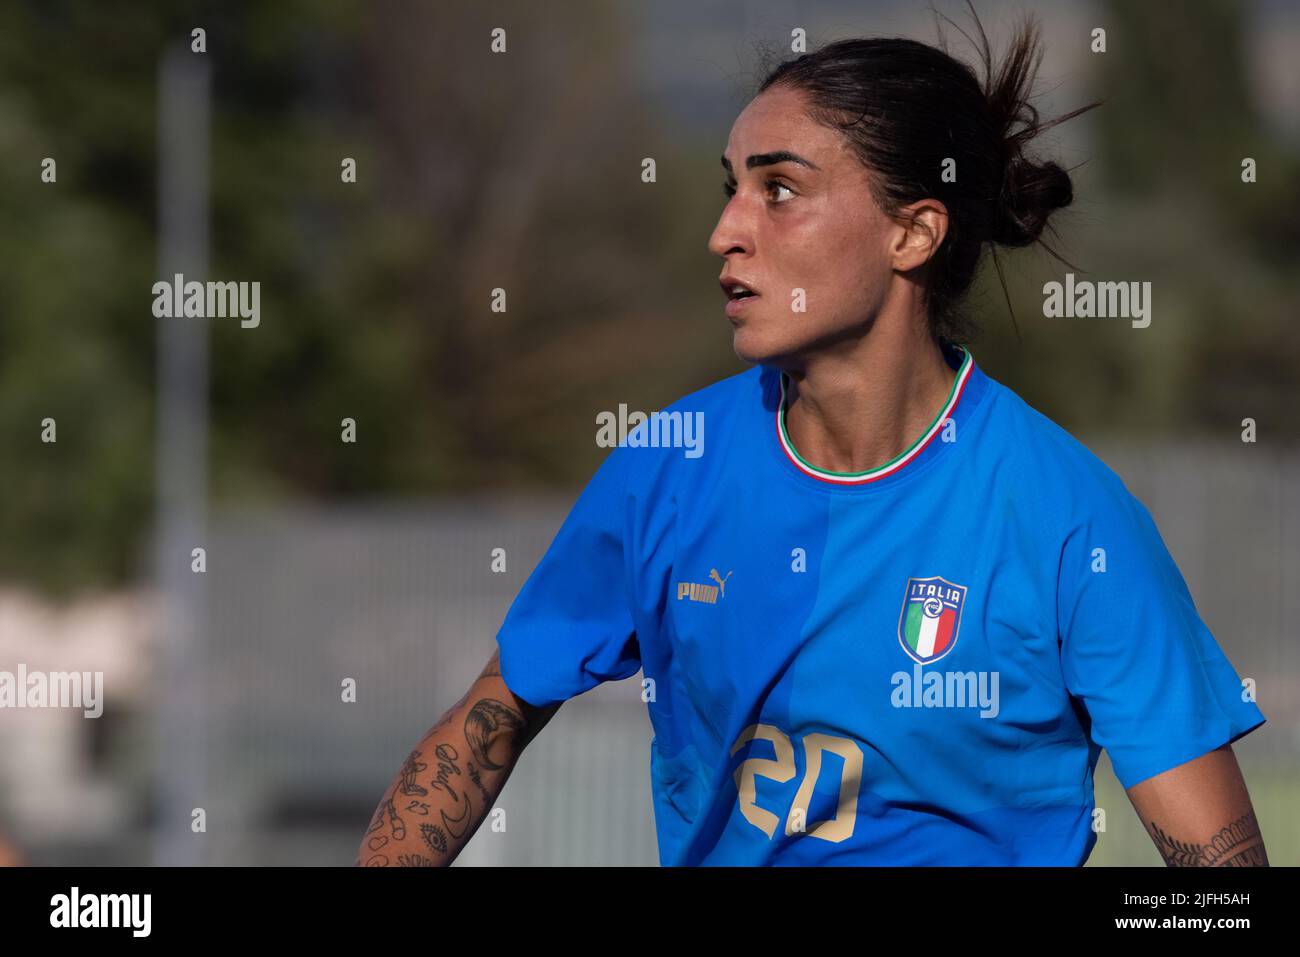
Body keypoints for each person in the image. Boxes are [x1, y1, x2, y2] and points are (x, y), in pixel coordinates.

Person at [359, 8, 1267, 867]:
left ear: (913, 232)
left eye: (780, 190)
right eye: (732, 188)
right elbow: (495, 714)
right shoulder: (669, 466)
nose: (724, 231)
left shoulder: (1073, 520)